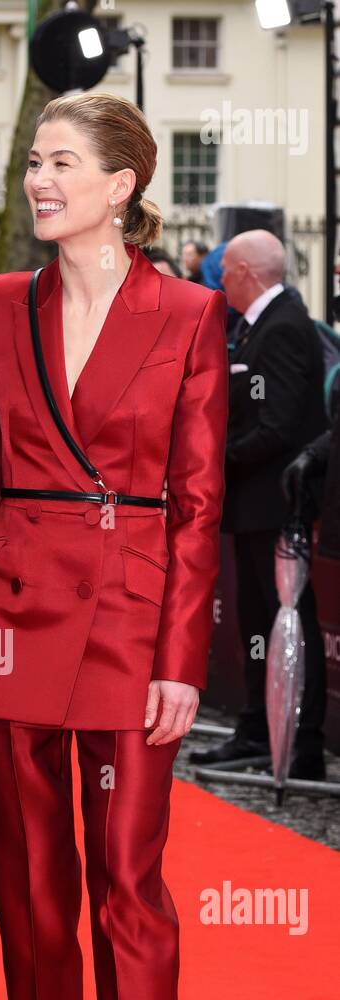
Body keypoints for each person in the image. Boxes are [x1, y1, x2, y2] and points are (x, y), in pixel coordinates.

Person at [0, 91, 229, 1000]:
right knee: (30, 900)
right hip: (13, 619)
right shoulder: (0, 304)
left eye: (59, 161)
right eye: (31, 161)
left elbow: (202, 502)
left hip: (129, 628)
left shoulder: (189, 312)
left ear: (122, 183)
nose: (36, 179)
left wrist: (183, 658)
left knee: (131, 893)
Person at [189, 230, 328, 780]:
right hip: (255, 505)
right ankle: (257, 729)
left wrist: (211, 463)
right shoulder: (259, 326)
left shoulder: (285, 327)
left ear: (246, 271)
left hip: (275, 507)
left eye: (226, 271)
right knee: (258, 621)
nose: (219, 280)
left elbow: (279, 426)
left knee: (283, 623)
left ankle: (298, 744)